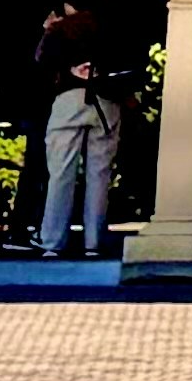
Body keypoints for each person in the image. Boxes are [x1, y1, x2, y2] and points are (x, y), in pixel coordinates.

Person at [33, 51, 122, 257]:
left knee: (61, 172)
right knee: (99, 175)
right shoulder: (115, 29)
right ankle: (94, 241)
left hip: (68, 98)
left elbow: (42, 59)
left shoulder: (64, 28)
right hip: (107, 99)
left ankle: (53, 241)